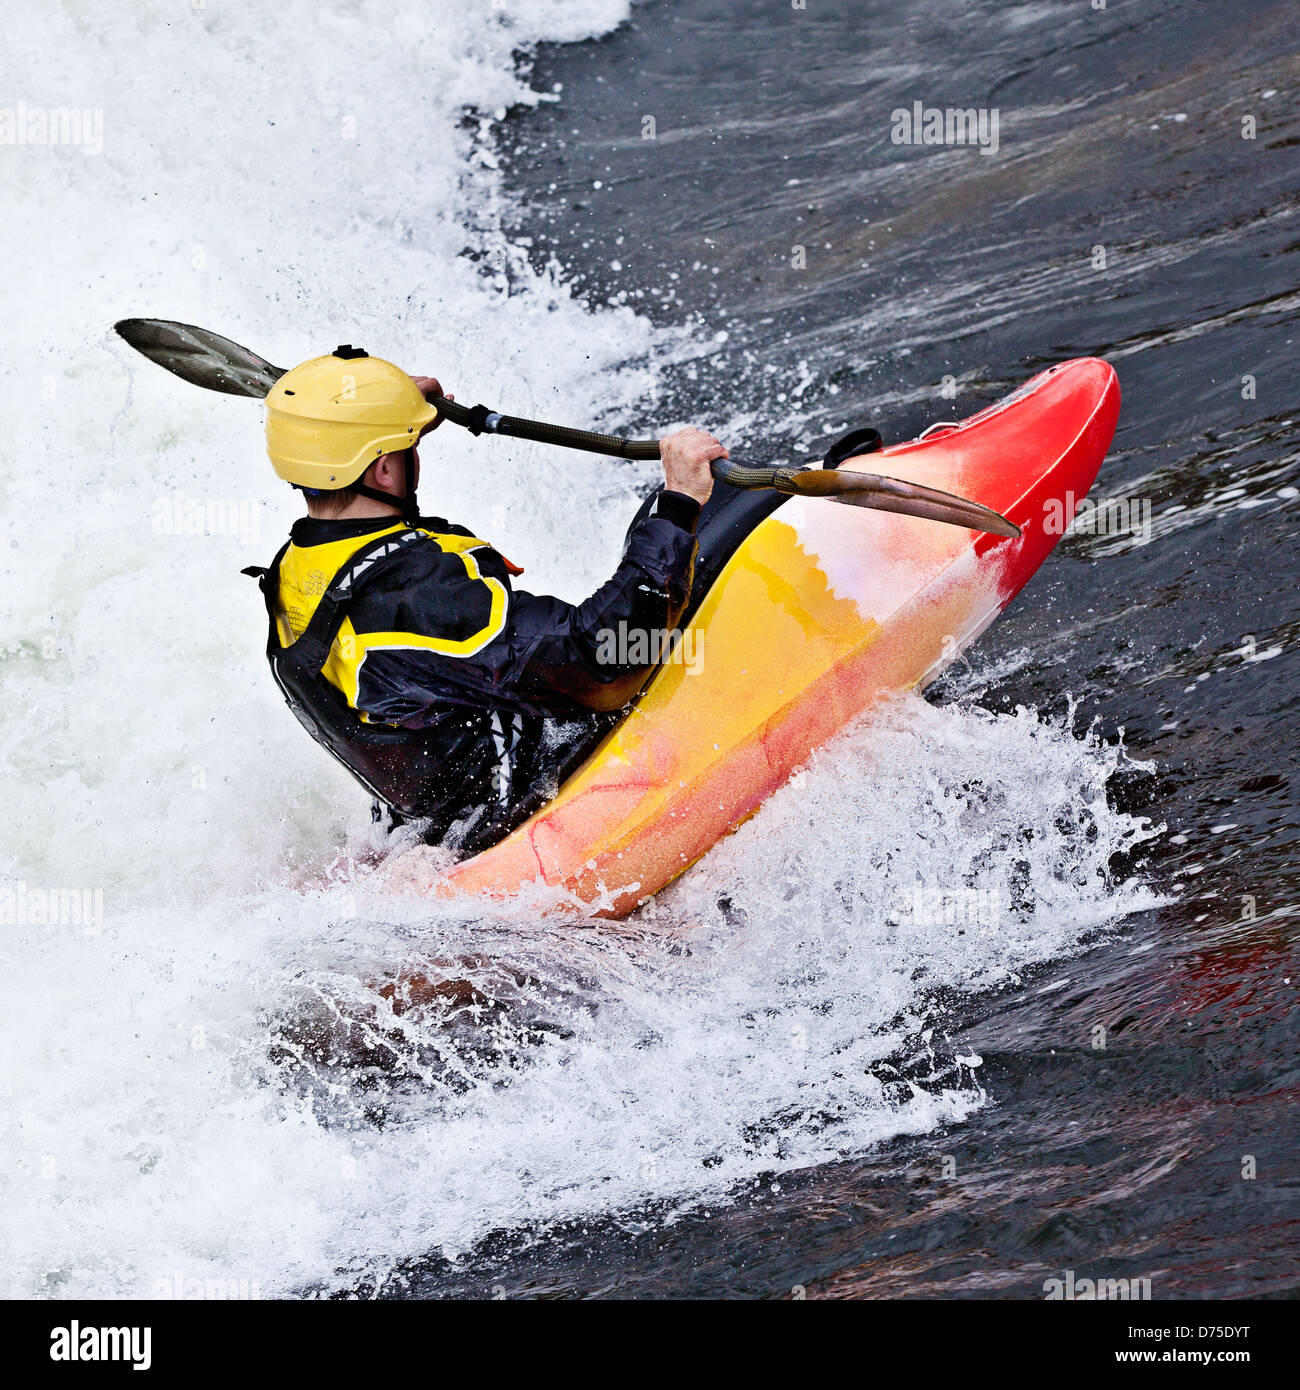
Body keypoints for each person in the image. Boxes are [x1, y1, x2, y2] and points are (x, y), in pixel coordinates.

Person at [245, 344, 726, 857]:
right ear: (385, 470)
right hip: (526, 811)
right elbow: (606, 659)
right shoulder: (425, 595)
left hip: (438, 825)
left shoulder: (295, 568)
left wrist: (389, 411)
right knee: (685, 526)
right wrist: (679, 503)